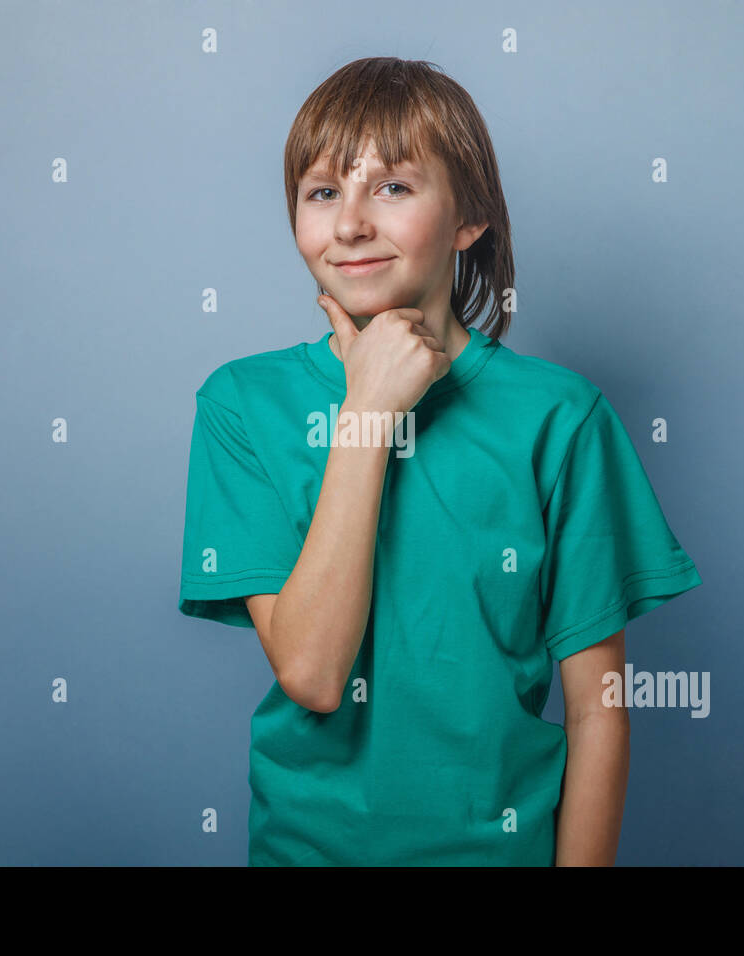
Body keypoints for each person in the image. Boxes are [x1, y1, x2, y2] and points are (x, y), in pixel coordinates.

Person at [178, 56, 702, 866]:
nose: (349, 223)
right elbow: (315, 674)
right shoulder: (242, 406)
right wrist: (368, 414)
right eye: (323, 192)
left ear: (469, 219)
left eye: (392, 187)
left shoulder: (559, 418)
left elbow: (598, 710)